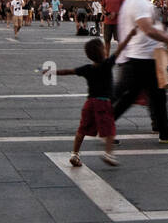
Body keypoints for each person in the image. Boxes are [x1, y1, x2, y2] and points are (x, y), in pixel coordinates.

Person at [111, 0, 168, 143]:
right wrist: (167, 40)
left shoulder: (139, 0)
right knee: (135, 95)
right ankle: (105, 124)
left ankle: (164, 129)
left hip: (143, 55)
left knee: (153, 94)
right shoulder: (138, 1)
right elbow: (146, 28)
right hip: (141, 57)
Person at [56, 31, 136, 167]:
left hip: (89, 103)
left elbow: (69, 71)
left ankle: (75, 154)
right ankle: (108, 154)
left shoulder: (87, 68)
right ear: (102, 52)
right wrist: (130, 35)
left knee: (82, 129)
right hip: (103, 103)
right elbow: (121, 48)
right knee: (110, 129)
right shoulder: (107, 64)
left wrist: (53, 72)